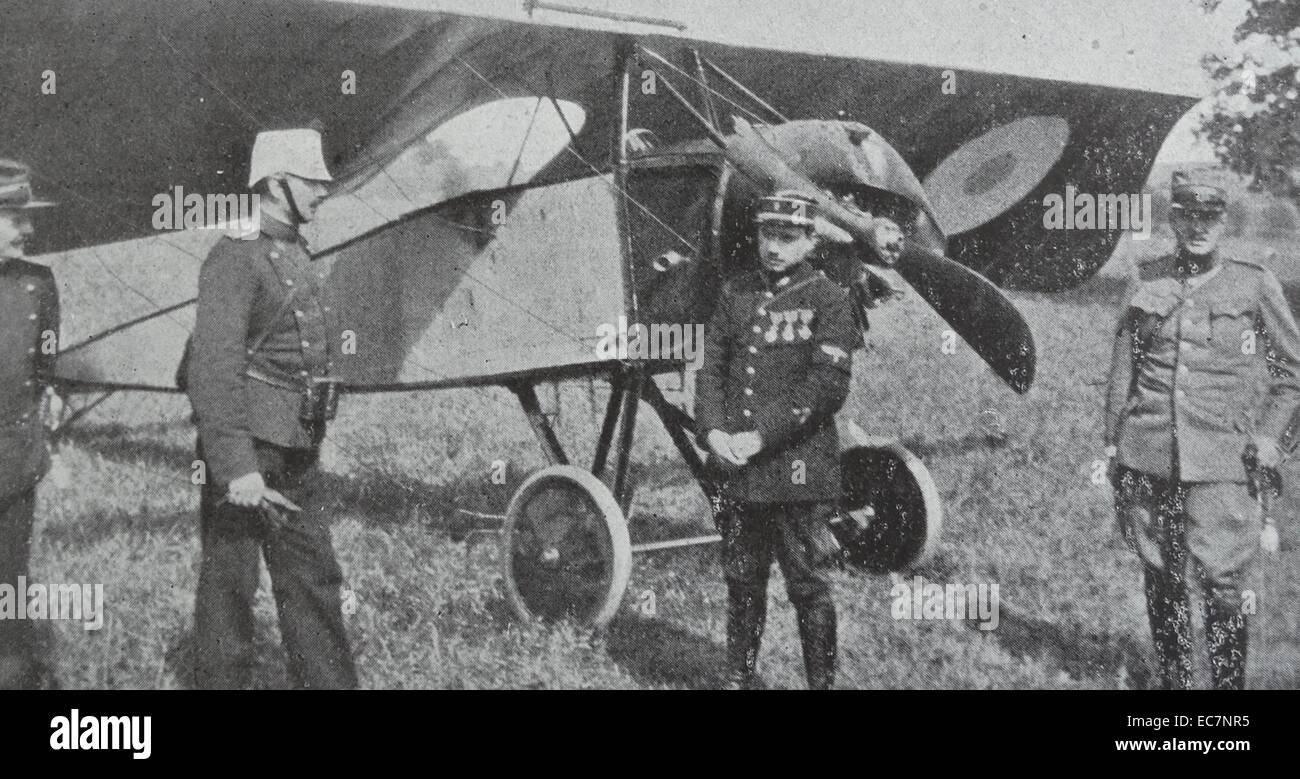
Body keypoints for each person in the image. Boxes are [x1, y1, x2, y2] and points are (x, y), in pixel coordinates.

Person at [1103, 167, 1300, 689]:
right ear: (1174, 217)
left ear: (1224, 220)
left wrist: (1271, 438)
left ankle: (1227, 699)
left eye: (1209, 215)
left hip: (1222, 462)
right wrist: (1115, 447)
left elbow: (1293, 374)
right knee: (1161, 575)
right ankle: (1176, 689)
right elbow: (1124, 367)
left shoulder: (1253, 282)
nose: (1198, 226)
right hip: (1149, 453)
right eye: (1188, 215)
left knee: (1222, 584)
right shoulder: (1148, 277)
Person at [186, 128, 356, 689]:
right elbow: (214, 369)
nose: (324, 190)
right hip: (250, 451)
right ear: (279, 182)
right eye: (314, 180)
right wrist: (236, 467)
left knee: (314, 581)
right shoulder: (236, 257)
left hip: (295, 445)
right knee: (229, 591)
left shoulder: (290, 249)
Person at [695, 190, 863, 689]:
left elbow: (826, 388)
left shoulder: (830, 298)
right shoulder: (737, 292)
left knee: (808, 586)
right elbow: (713, 372)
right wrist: (713, 431)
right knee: (743, 581)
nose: (775, 247)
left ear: (811, 241)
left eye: (789, 238)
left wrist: (759, 436)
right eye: (769, 235)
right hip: (738, 470)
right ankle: (738, 679)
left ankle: (820, 685)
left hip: (797, 469)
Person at [0, 160, 60, 689]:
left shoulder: (38, 284)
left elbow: (45, 367)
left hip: (14, 460)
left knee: (10, 577)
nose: (28, 229)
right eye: (14, 216)